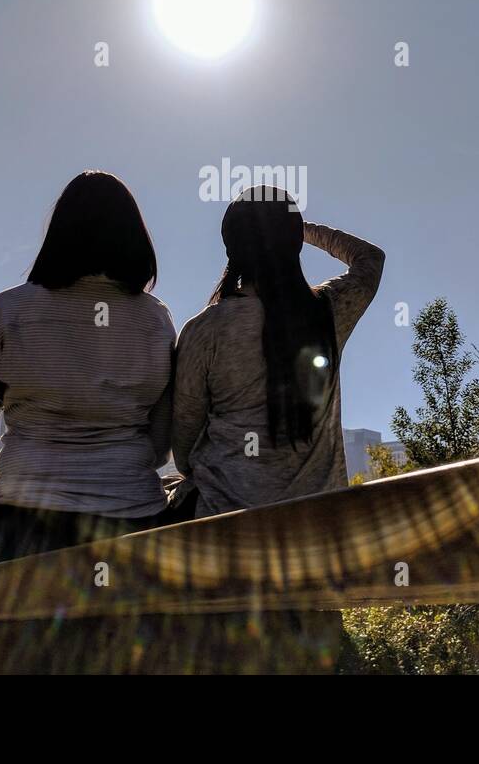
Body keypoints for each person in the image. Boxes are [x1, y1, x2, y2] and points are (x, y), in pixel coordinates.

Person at [0, 170, 175, 673]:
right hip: (131, 532)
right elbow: (161, 444)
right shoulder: (155, 320)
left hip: (23, 533)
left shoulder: (10, 312)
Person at [169, 185, 384, 672]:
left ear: (231, 248)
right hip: (315, 554)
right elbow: (370, 260)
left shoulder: (205, 331)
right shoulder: (326, 312)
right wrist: (302, 231)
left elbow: (182, 445)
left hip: (226, 554)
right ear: (294, 242)